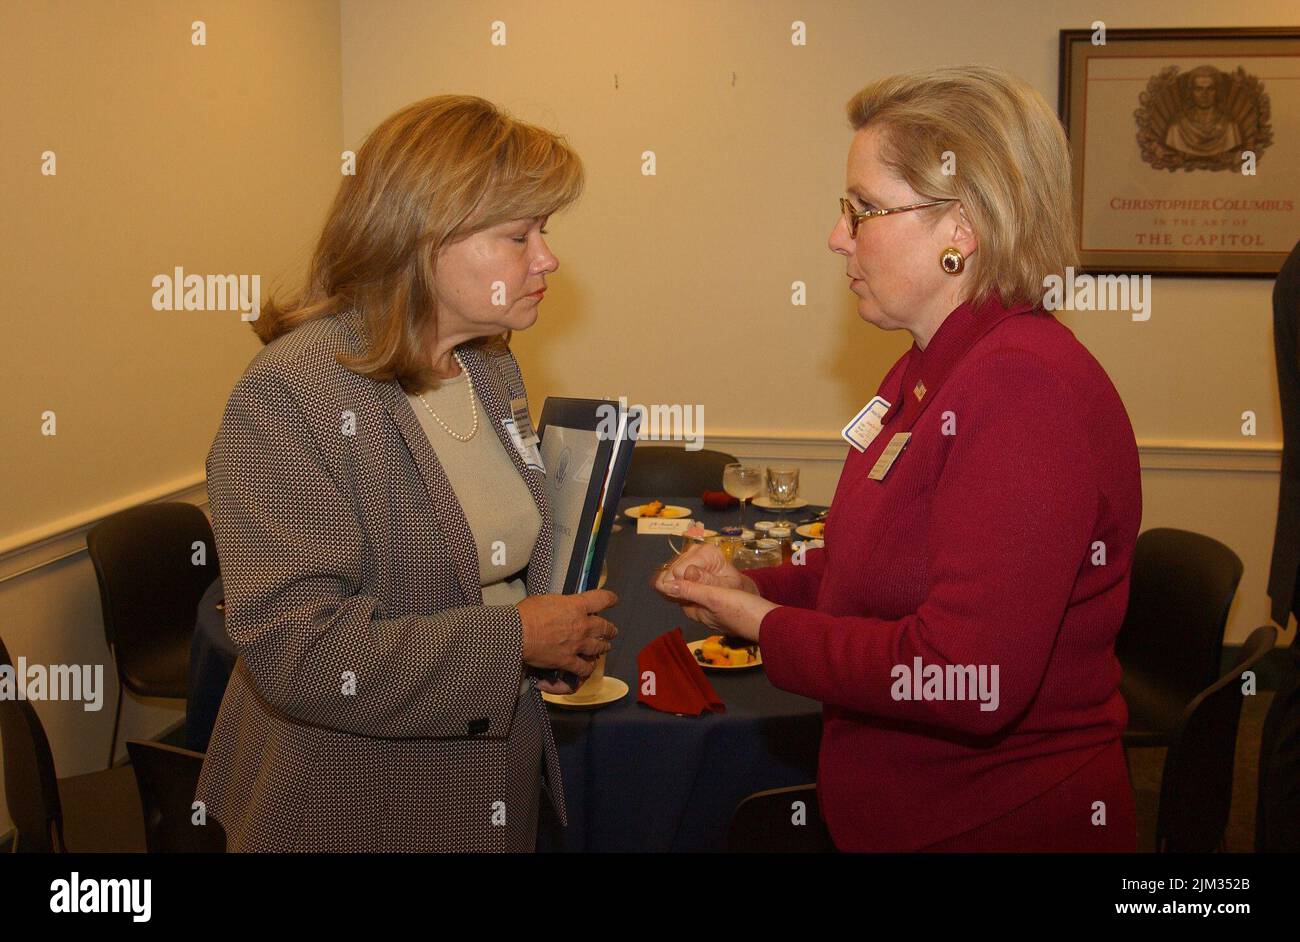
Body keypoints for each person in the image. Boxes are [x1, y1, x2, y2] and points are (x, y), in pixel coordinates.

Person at [655, 66, 1141, 852]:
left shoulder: (1022, 386)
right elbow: (878, 575)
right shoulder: (929, 367)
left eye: (863, 209)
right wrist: (756, 585)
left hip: (993, 824)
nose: (837, 236)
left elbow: (969, 677)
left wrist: (769, 627)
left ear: (963, 227)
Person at [196, 95, 618, 852]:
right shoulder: (292, 391)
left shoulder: (489, 366)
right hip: (351, 800)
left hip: (489, 780)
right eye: (518, 235)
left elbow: (496, 561)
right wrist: (517, 640)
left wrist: (558, 634)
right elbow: (299, 652)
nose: (547, 258)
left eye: (544, 232)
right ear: (422, 238)